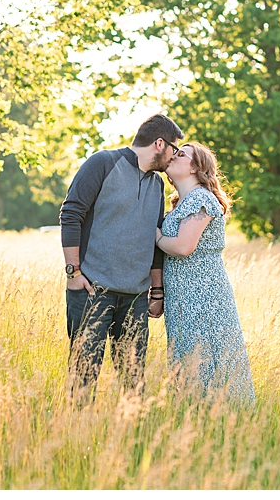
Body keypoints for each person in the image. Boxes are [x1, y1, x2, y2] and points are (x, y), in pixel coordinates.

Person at [58, 112, 178, 398]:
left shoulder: (157, 185)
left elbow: (154, 240)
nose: (175, 156)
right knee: (83, 376)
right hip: (92, 291)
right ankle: (77, 434)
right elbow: (70, 214)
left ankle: (131, 437)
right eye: (174, 149)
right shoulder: (103, 163)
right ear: (159, 144)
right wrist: (73, 273)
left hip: (135, 297)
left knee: (134, 382)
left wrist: (157, 292)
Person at [155, 141, 256, 406]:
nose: (173, 157)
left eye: (181, 154)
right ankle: (196, 416)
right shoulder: (181, 202)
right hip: (184, 295)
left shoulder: (201, 198)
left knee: (208, 352)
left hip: (203, 294)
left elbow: (183, 246)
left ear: (196, 167)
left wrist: (155, 236)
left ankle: (222, 413)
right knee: (188, 354)